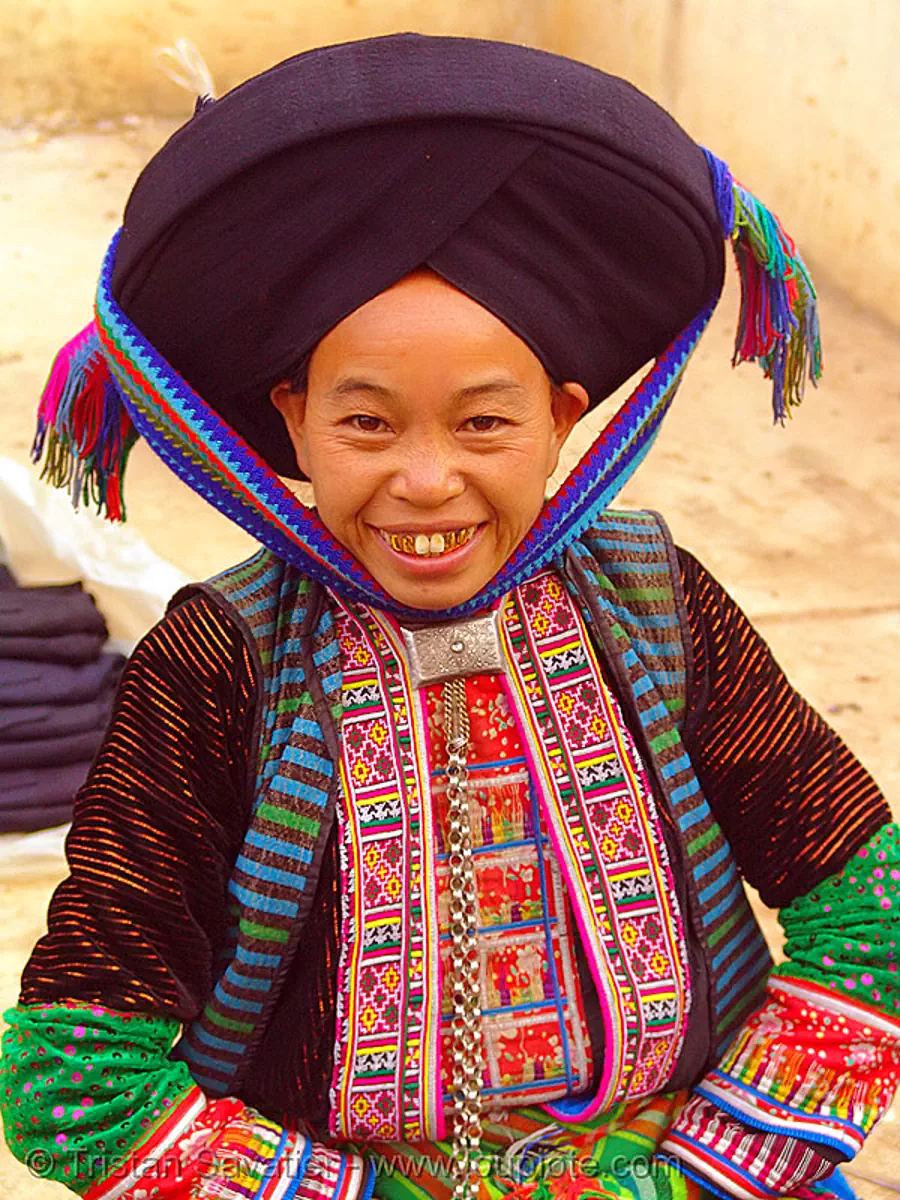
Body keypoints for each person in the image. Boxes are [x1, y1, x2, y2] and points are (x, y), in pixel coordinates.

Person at [2, 32, 897, 1200]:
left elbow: (869, 898)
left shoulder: (651, 598)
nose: (426, 485)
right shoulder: (221, 662)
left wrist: (724, 1163)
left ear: (566, 418)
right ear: (293, 419)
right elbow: (74, 1076)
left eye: (484, 424)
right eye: (368, 425)